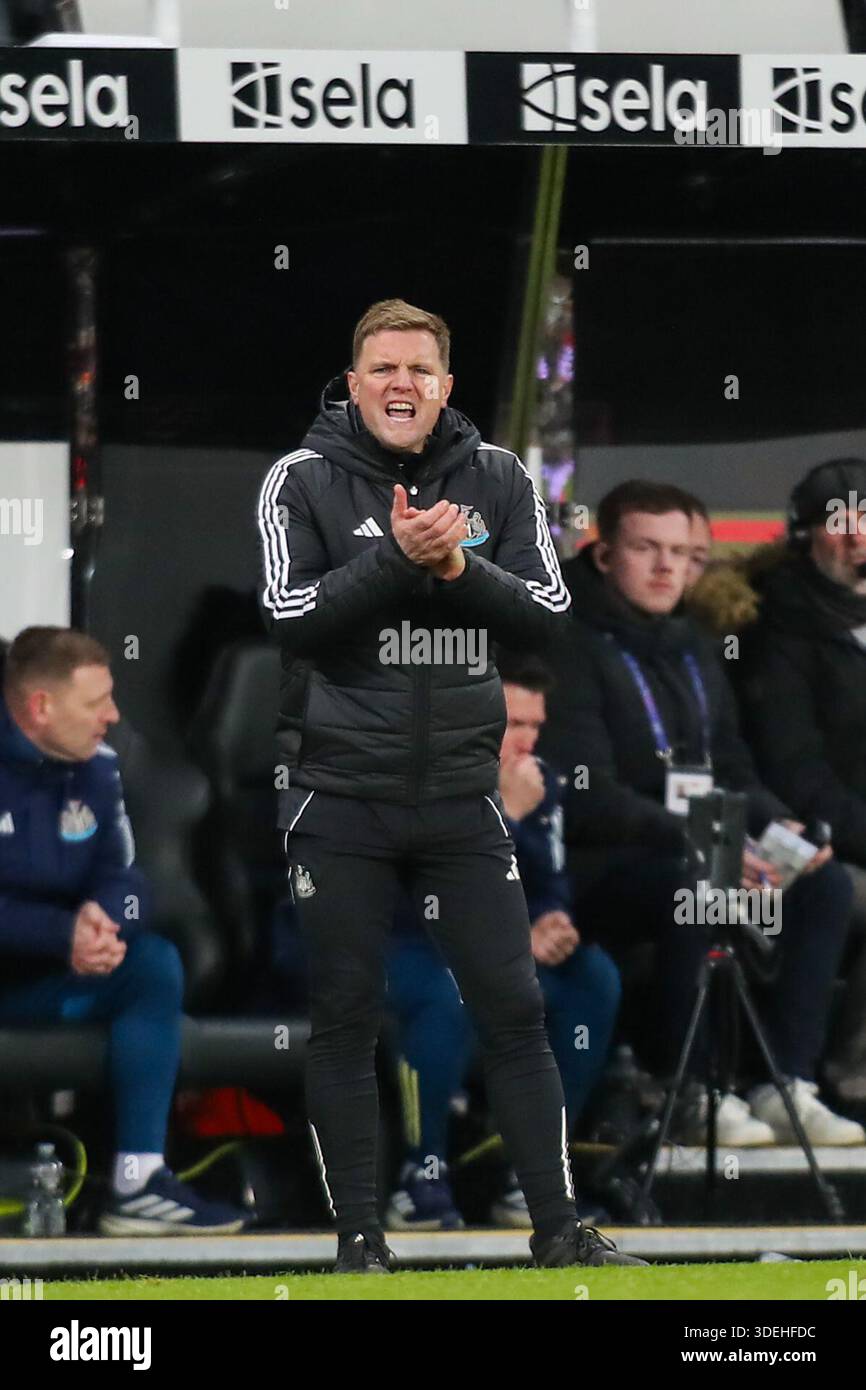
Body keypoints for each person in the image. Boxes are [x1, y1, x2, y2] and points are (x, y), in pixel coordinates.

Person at [256, 297, 644, 1270]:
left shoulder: (500, 477)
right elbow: (290, 616)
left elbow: (548, 618)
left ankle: (556, 1230)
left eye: (418, 371)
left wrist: (455, 562)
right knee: (346, 1010)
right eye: (381, 368)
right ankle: (358, 1240)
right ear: (352, 383)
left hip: (461, 794)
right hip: (336, 792)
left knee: (513, 1006)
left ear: (443, 388)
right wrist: (397, 558)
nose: (400, 385)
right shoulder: (297, 479)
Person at [541, 481, 863, 1147]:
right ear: (604, 555)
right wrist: (703, 837)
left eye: (688, 555)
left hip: (693, 841)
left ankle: (784, 1084)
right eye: (648, 549)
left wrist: (778, 829)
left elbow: (733, 766)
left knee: (821, 884)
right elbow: (585, 793)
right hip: (596, 863)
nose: (669, 569)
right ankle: (685, 1089)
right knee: (701, 884)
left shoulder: (693, 642)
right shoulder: (567, 644)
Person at [0, 628, 245, 1235]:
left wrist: (106, 920)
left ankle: (138, 1182)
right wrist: (62, 933)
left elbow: (128, 878)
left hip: (60, 979)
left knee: (152, 963)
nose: (113, 716)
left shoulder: (99, 770)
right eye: (96, 703)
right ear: (40, 708)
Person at [385, 649, 621, 1230]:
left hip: (493, 947)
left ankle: (535, 1174)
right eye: (512, 724)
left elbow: (549, 883)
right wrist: (506, 819)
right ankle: (421, 1177)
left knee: (592, 977)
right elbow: (429, 899)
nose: (526, 740)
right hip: (402, 946)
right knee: (450, 991)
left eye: (535, 725)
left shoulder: (540, 783)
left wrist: (549, 921)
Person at [725, 459, 866, 1097]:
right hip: (783, 834)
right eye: (837, 522)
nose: (856, 536)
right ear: (803, 535)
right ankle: (849, 1078)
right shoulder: (776, 627)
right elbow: (797, 771)